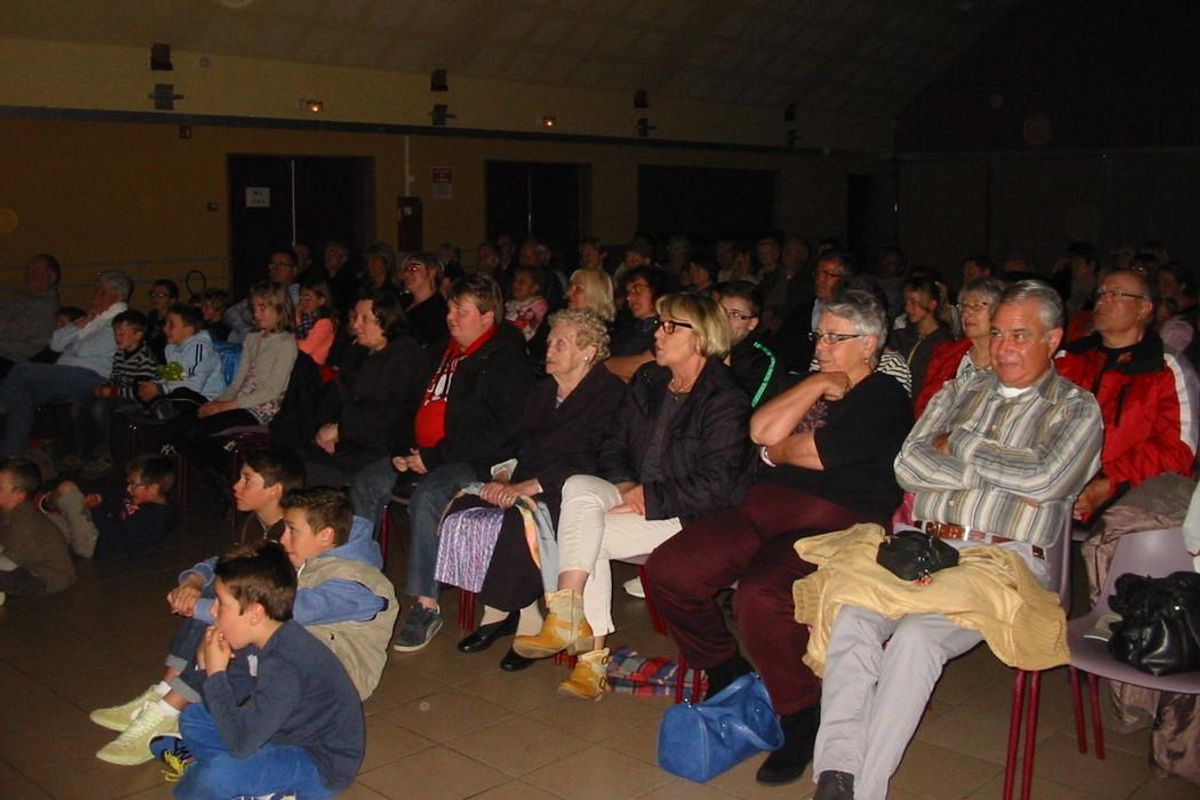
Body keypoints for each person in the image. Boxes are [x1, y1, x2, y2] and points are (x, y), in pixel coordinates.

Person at [808, 280, 1102, 800]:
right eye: (997, 334)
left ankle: (864, 790)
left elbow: (1046, 481)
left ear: (1053, 338)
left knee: (917, 639)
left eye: (1020, 335)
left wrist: (961, 443)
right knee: (853, 617)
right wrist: (999, 468)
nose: (1004, 347)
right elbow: (907, 465)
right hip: (920, 548)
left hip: (999, 560)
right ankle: (835, 776)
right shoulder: (958, 390)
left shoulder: (1076, 408)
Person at [646, 288, 912, 784]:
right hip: (759, 512)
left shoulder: (884, 397)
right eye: (820, 335)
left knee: (759, 596)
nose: (823, 345)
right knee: (670, 571)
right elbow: (761, 432)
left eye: (837, 338)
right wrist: (817, 384)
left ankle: (800, 716)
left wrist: (783, 449)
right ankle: (728, 672)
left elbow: (813, 454)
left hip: (832, 524)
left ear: (870, 342)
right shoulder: (807, 380)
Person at [513, 294, 751, 699]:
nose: (657, 333)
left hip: (689, 515)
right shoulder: (649, 380)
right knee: (577, 488)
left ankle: (589, 658)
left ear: (700, 338)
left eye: (669, 326)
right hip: (635, 498)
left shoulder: (725, 397)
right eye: (659, 323)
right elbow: (611, 445)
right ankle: (567, 615)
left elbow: (718, 483)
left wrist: (650, 496)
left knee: (587, 538)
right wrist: (626, 488)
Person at [87, 447, 305, 764]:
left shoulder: (290, 534)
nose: (235, 485)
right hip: (247, 611)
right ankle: (162, 694)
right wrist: (191, 581)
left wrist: (203, 603)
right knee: (208, 602)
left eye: (247, 480)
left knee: (214, 612)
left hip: (271, 622)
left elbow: (269, 596)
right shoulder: (252, 524)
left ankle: (168, 709)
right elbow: (223, 563)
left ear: (274, 490)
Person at [350, 274, 533, 650]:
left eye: (461, 311)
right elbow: (408, 404)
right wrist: (404, 449)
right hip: (423, 453)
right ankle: (359, 581)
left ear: (486, 317)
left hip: (473, 459)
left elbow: (497, 429)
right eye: (450, 308)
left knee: (429, 496)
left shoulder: (505, 358)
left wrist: (432, 457)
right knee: (366, 482)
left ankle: (426, 605)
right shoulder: (442, 351)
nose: (450, 316)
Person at [434, 310, 625, 669]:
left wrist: (528, 486)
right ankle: (500, 612)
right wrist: (504, 477)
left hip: (572, 487)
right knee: (465, 508)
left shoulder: (609, 393)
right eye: (550, 342)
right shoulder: (542, 390)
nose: (549, 350)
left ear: (588, 352)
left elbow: (595, 457)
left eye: (560, 344)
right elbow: (516, 441)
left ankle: (527, 619)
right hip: (527, 478)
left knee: (516, 525)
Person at [163, 540, 364, 799]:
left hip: (319, 763)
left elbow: (240, 745)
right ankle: (250, 783)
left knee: (219, 774)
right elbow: (226, 702)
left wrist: (215, 674)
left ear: (255, 613)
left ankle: (219, 777)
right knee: (194, 717)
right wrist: (206, 667)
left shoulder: (285, 663)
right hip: (279, 736)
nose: (212, 612)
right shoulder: (257, 641)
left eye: (221, 604)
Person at [1055, 268, 1198, 523]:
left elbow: (1177, 451)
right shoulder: (1069, 359)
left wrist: (1110, 483)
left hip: (1129, 496)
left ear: (1144, 309)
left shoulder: (1166, 368)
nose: (1102, 300)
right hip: (1055, 489)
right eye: (1100, 293)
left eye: (1116, 294)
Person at [304, 291, 425, 497]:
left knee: (312, 474)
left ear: (387, 321)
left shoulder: (406, 356)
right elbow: (335, 397)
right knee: (290, 462)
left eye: (365, 319)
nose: (356, 325)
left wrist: (342, 429)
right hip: (347, 441)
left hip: (384, 446)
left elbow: (391, 414)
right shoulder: (356, 353)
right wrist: (325, 427)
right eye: (355, 318)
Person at [0, 271, 132, 456]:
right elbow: (56, 343)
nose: (95, 296)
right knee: (22, 394)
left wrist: (82, 334)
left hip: (92, 376)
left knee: (22, 370)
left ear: (117, 296)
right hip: (65, 373)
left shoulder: (121, 321)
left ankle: (2, 406)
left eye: (101, 291)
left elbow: (85, 350)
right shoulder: (93, 319)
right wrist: (80, 326)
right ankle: (10, 454)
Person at [171, 281, 298, 468]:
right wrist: (216, 403)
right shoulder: (253, 338)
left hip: (260, 409)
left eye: (263, 308)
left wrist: (225, 406)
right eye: (254, 308)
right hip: (238, 403)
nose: (256, 314)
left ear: (279, 308)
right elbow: (238, 382)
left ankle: (217, 479)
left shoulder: (286, 343)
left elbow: (271, 391)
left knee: (201, 432)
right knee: (186, 421)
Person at [67, 308, 159, 477]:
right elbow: (115, 376)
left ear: (138, 335)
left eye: (122, 333)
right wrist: (104, 386)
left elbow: (140, 391)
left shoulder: (145, 358)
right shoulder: (119, 354)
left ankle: (105, 455)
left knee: (100, 408)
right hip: (119, 393)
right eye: (116, 333)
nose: (117, 337)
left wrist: (114, 391)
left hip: (135, 400)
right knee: (81, 402)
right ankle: (83, 451)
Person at [47, 453, 177, 560]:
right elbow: (116, 497)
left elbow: (112, 533)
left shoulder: (153, 519)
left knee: (67, 488)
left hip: (95, 543)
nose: (129, 488)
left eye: (133, 484)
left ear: (154, 488)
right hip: (97, 531)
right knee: (48, 522)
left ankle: (46, 503)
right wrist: (100, 499)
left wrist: (96, 509)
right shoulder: (138, 496)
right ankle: (50, 515)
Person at [913, 278, 1005, 417]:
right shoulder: (946, 355)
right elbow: (923, 407)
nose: (966, 313)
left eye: (976, 306)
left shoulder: (1009, 361)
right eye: (963, 306)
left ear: (999, 311)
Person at [135, 302, 225, 425]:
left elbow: (195, 385)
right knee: (140, 382)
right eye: (165, 323)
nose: (165, 328)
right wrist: (155, 385)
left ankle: (161, 408)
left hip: (205, 399)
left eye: (171, 325)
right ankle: (159, 407)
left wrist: (160, 389)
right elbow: (174, 376)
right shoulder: (171, 347)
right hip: (179, 394)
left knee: (182, 394)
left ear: (189, 329)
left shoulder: (201, 348)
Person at [0, 456, 75, 604]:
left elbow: (8, 564)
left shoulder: (24, 522)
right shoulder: (9, 512)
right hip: (26, 566)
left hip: (45, 577)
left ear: (19, 495)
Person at [771, 251, 854, 374]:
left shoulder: (853, 315)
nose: (820, 280)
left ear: (845, 279)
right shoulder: (801, 311)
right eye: (817, 274)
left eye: (828, 274)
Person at [713, 280, 781, 407]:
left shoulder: (763, 361)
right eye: (721, 312)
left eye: (735, 314)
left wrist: (725, 371)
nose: (724, 320)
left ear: (752, 323)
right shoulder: (706, 346)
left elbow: (746, 410)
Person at [888, 275, 955, 400]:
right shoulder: (899, 336)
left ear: (932, 304)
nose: (908, 308)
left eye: (914, 302)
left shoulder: (944, 342)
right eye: (906, 302)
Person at [0, 253, 60, 374]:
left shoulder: (47, 308)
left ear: (51, 277)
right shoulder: (20, 296)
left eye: (35, 270)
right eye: (27, 269)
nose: (29, 274)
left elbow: (26, 344)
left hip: (14, 363)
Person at [606, 266, 667, 381]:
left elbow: (641, 367)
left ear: (657, 290)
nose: (629, 297)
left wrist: (597, 365)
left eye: (638, 290)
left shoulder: (669, 329)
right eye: (628, 292)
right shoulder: (625, 331)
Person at [398, 252, 450, 347]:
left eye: (414, 268)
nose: (406, 273)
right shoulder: (402, 302)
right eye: (405, 270)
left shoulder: (437, 310)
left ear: (431, 272)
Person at [294, 277, 336, 366]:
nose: (302, 303)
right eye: (301, 299)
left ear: (321, 301)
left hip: (313, 368)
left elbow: (305, 349)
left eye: (307, 299)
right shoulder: (304, 320)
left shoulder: (325, 323)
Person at [505, 264, 551, 342]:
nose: (516, 284)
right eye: (515, 280)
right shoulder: (509, 305)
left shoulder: (539, 307)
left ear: (535, 288)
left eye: (522, 282)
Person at [145, 279, 180, 360]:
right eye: (153, 294)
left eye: (161, 295)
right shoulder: (150, 318)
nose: (156, 298)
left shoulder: (176, 321)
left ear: (172, 300)